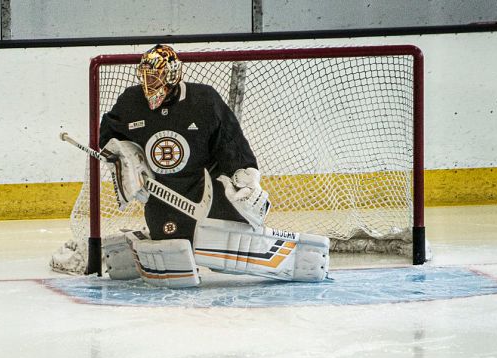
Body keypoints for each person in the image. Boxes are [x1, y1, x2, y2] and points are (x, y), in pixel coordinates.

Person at [97, 44, 329, 286]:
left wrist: (245, 177)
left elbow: (231, 142)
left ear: (172, 75)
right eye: (144, 77)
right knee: (172, 257)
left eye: (154, 76)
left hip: (209, 194)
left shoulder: (204, 101)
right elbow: (109, 139)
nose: (148, 84)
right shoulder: (131, 102)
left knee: (231, 244)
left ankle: (291, 258)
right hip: (164, 199)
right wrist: (126, 163)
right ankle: (149, 242)